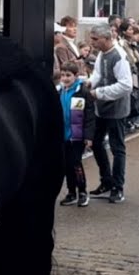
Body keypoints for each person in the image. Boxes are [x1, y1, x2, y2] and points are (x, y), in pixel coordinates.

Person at [85, 24, 133, 204]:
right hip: (102, 107)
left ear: (106, 38)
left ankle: (118, 187)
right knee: (96, 143)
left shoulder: (119, 56)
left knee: (117, 148)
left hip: (116, 109)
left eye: (95, 39)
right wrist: (91, 83)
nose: (92, 42)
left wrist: (99, 93)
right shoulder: (102, 54)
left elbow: (126, 85)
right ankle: (106, 180)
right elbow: (98, 73)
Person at [56, 62, 94, 208]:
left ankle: (82, 191)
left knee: (76, 163)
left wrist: (88, 137)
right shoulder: (59, 91)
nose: (65, 78)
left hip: (77, 136)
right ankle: (71, 192)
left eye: (68, 75)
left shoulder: (82, 92)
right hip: (63, 136)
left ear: (76, 76)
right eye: (63, 75)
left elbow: (89, 116)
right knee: (66, 165)